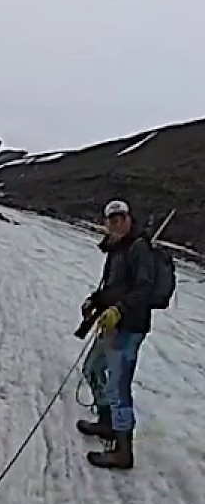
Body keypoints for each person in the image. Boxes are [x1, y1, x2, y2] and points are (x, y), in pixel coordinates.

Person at [75, 199, 156, 470]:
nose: (117, 222)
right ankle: (107, 422)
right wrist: (95, 301)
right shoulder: (117, 249)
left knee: (118, 388)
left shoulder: (138, 248)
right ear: (106, 223)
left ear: (129, 219)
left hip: (129, 327)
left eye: (121, 217)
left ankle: (123, 450)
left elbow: (144, 288)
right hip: (112, 323)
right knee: (93, 370)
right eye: (112, 218)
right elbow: (115, 286)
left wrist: (119, 310)